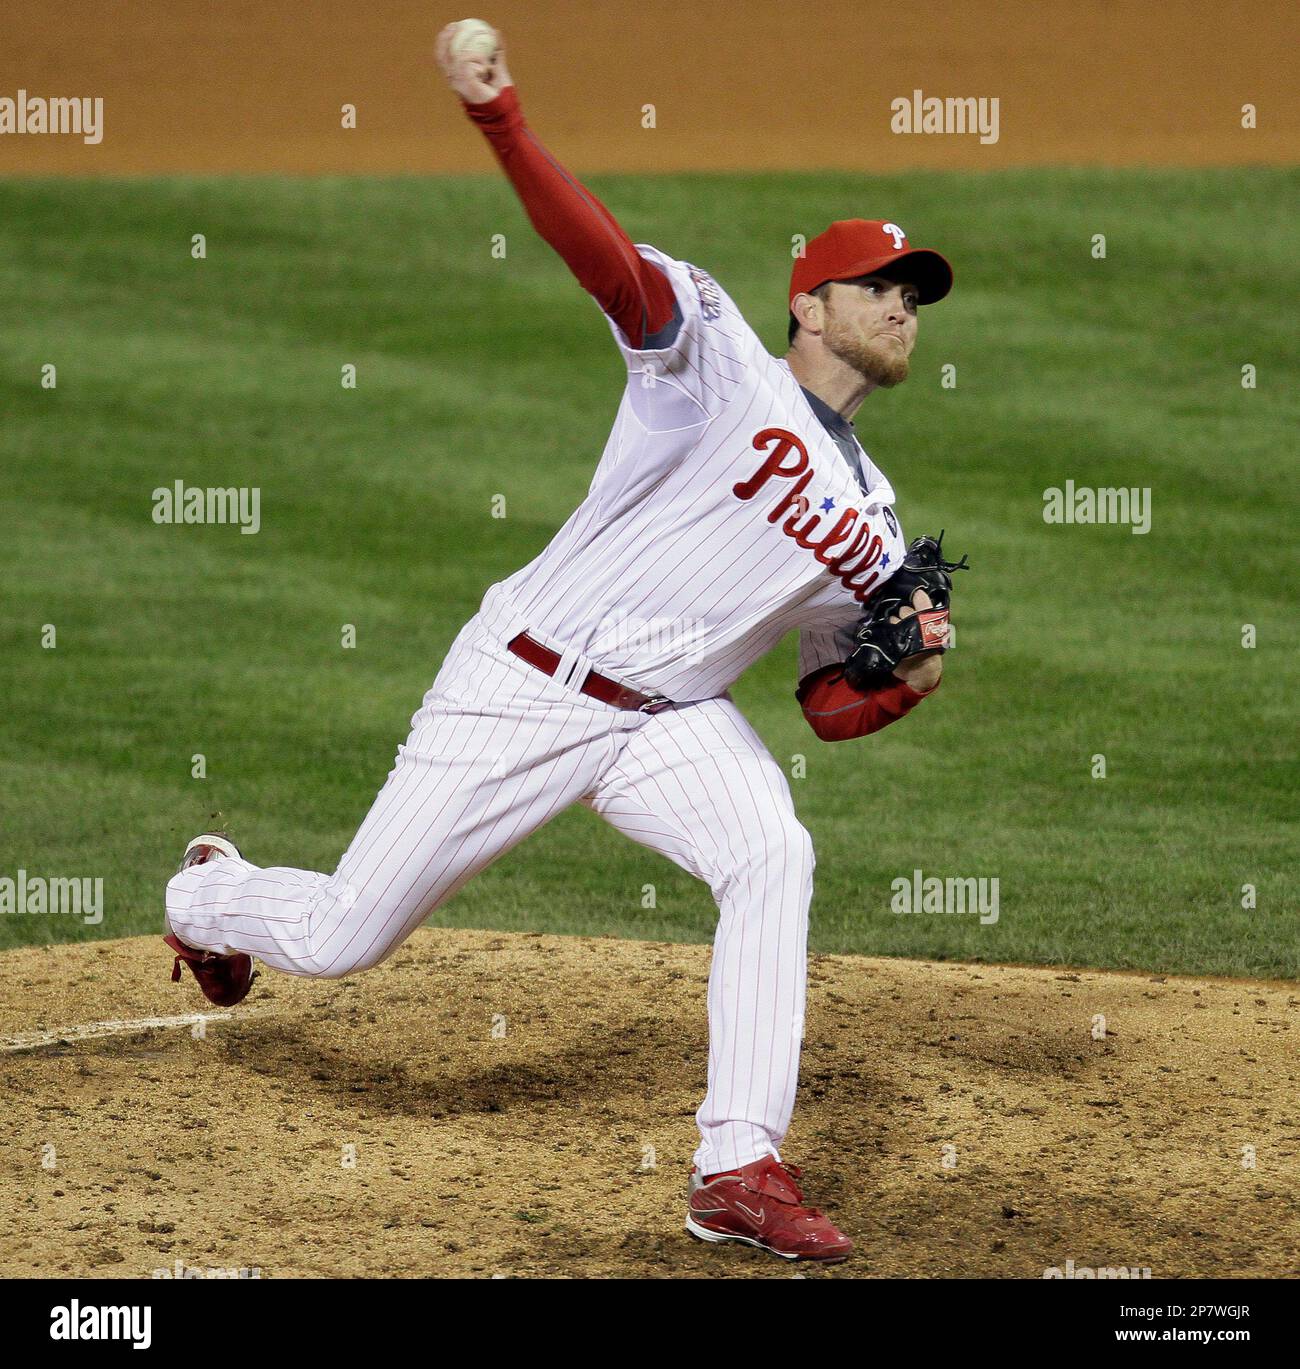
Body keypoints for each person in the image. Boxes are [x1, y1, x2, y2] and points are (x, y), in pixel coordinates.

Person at [161, 20, 958, 1264]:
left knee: (772, 851)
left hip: (669, 722)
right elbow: (607, 266)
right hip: (522, 684)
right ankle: (206, 893)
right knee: (340, 939)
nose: (902, 308)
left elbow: (824, 700)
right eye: (880, 287)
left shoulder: (877, 519)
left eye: (914, 295)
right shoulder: (715, 367)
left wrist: (905, 674)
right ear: (809, 303)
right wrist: (501, 120)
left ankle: (734, 1166)